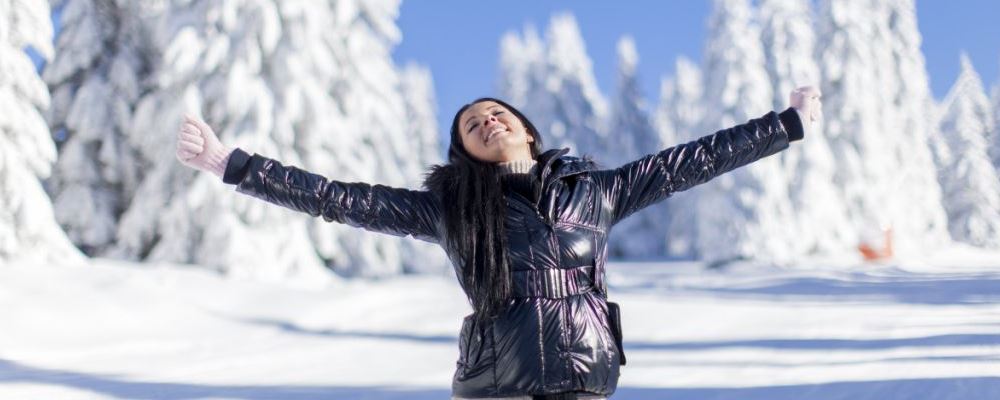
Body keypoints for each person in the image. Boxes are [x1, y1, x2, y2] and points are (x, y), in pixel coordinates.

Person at [176, 87, 821, 400]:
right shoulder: (451, 211)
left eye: (496, 114)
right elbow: (340, 197)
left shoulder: (596, 192)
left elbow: (693, 160)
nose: (487, 121)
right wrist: (234, 165)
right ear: (465, 152)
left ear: (526, 131)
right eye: (471, 124)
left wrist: (785, 125)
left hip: (583, 373)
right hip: (495, 381)